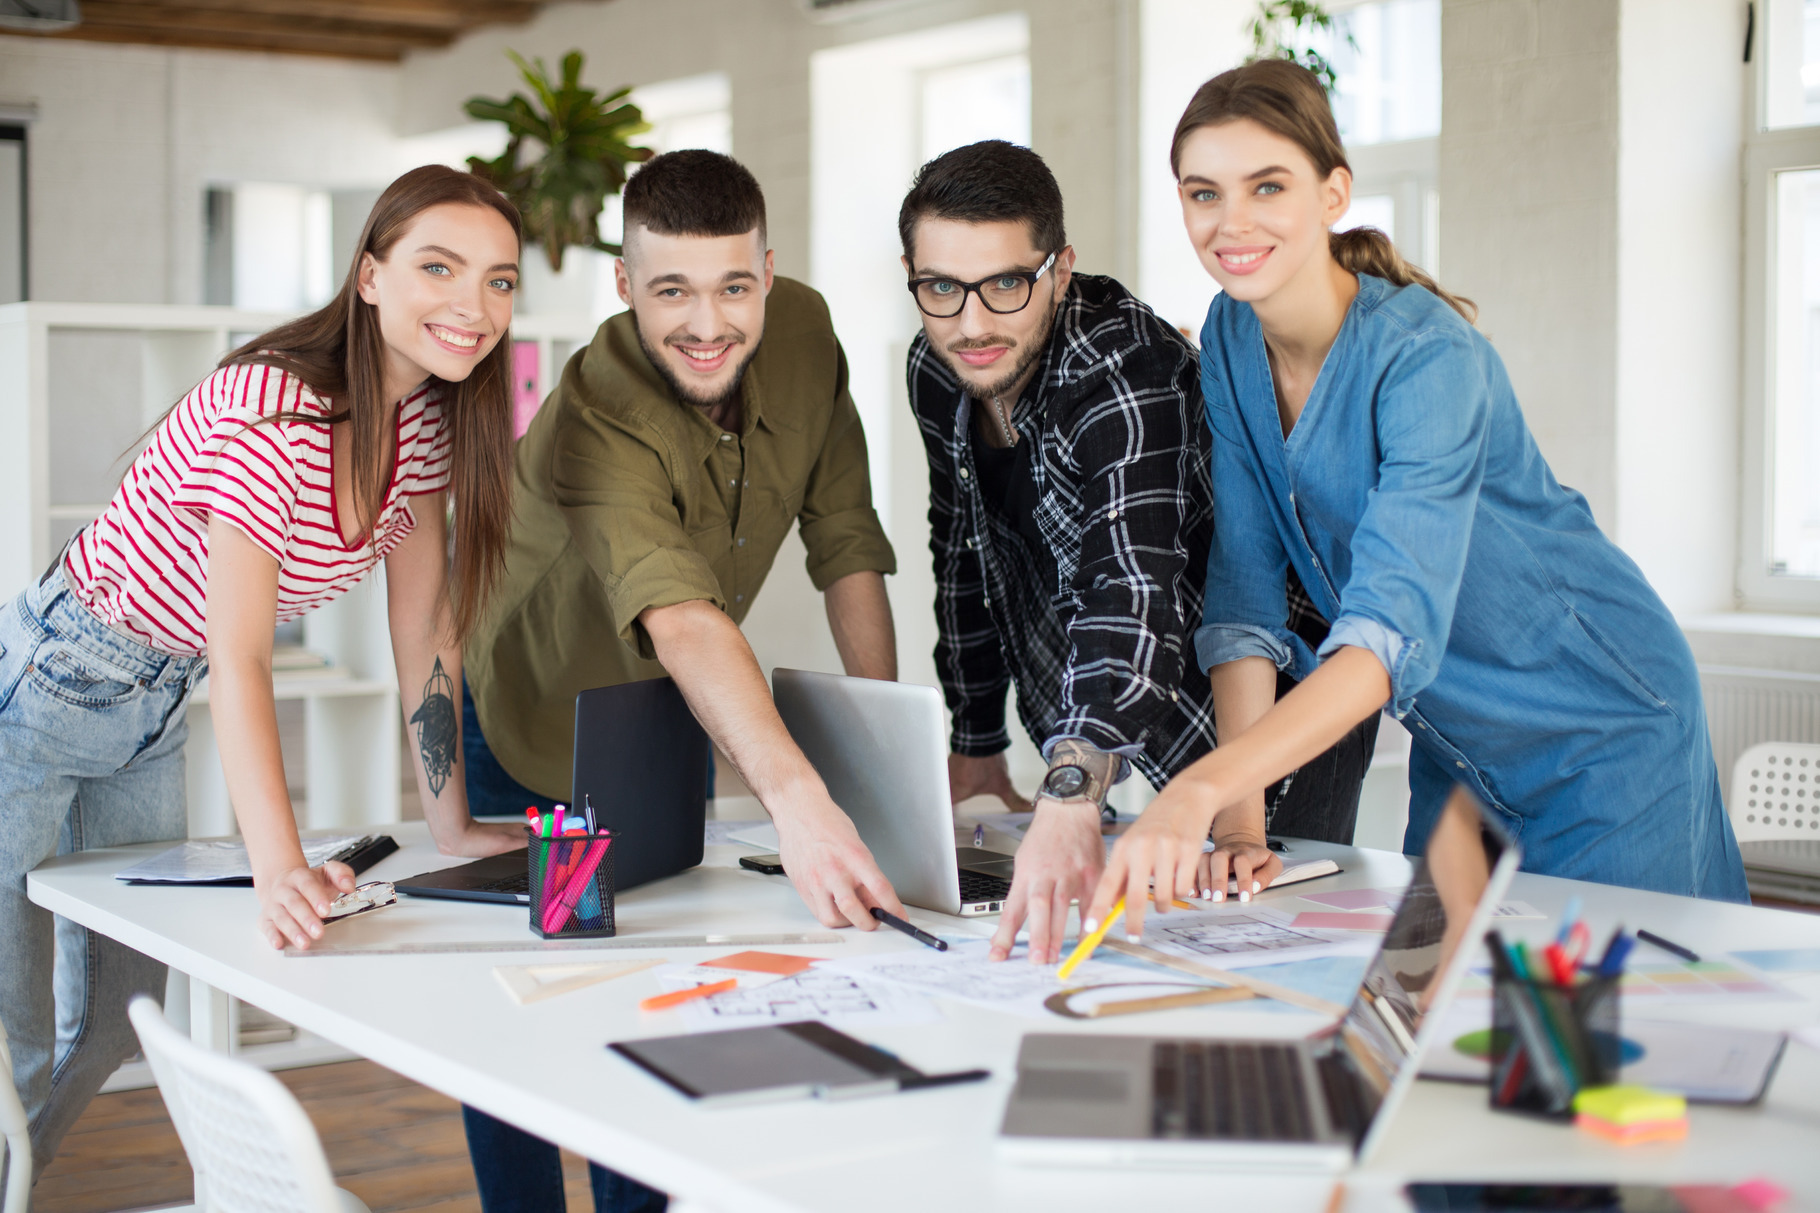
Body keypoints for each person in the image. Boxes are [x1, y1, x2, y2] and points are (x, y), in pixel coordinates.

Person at [1086, 59, 1748, 943]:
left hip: (1601, 726)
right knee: (1430, 1004)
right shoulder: (1233, 334)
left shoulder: (1428, 359)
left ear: (1333, 194)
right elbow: (1243, 599)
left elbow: (1383, 637)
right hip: (1460, 744)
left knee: (1618, 1028)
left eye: (1267, 186)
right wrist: (1240, 821)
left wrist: (1196, 788)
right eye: (1203, 193)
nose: (1230, 221)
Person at [0, 165, 527, 1188]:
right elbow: (241, 652)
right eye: (438, 267)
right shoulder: (273, 407)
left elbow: (424, 632)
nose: (473, 305)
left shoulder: (424, 423)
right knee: (12, 1041)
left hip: (155, 704)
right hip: (51, 685)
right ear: (369, 276)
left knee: (116, 1027)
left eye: (499, 280)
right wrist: (281, 865)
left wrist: (455, 826)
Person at [459, 149, 903, 1213]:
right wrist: (796, 796)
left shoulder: (800, 333)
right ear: (622, 284)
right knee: (539, 994)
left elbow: (843, 543)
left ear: (766, 268)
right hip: (537, 729)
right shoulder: (593, 415)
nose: (708, 324)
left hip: (666, 716)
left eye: (732, 287)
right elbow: (683, 614)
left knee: (663, 989)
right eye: (671, 292)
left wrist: (886, 773)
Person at [899, 140, 1379, 966]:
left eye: (1006, 283)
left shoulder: (1125, 369)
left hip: (1262, 720)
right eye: (941, 287)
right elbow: (964, 555)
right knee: (1137, 960)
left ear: (1059, 268)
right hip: (1111, 727)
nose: (971, 323)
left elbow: (1131, 586)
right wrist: (977, 746)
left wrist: (1071, 790)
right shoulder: (940, 370)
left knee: (1263, 963)